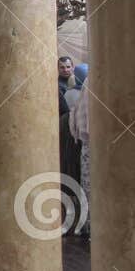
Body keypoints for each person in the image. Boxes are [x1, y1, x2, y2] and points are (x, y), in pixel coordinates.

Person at [67, 65, 91, 239]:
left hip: (88, 144)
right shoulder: (95, 82)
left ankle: (90, 226)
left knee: (89, 187)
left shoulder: (88, 84)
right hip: (95, 144)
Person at [57, 55, 82, 194]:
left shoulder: (79, 84)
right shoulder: (56, 86)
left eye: (68, 67)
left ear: (72, 67)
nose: (65, 70)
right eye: (62, 67)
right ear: (58, 69)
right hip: (64, 127)